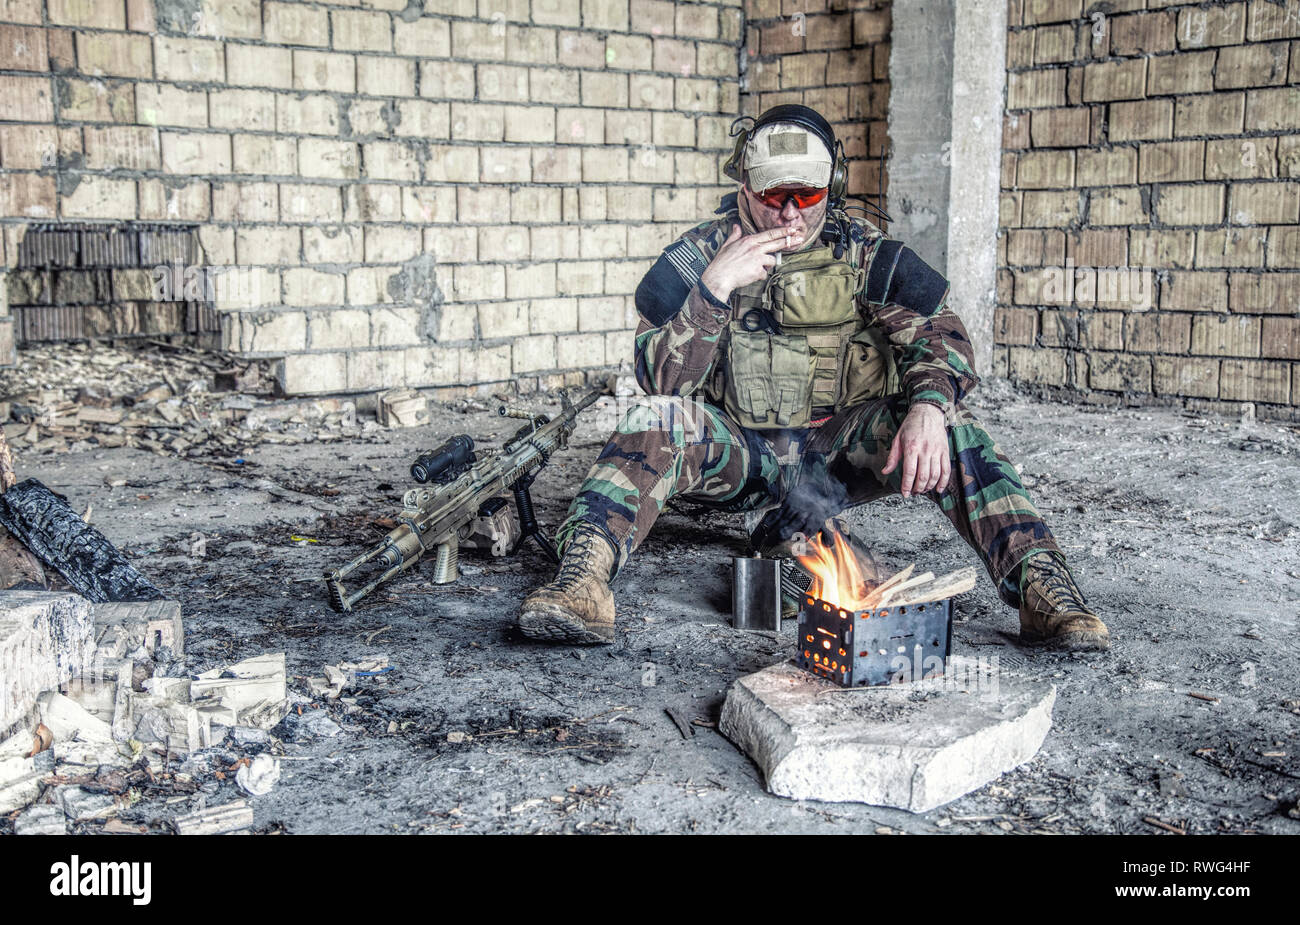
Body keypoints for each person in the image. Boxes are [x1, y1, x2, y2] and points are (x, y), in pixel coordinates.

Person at [518, 104, 1109, 653]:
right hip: (739, 456)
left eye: (807, 193)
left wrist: (930, 407)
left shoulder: (865, 255)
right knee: (659, 418)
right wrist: (715, 288)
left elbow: (943, 339)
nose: (791, 213)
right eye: (775, 195)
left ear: (833, 187)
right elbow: (659, 383)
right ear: (744, 187)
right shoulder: (698, 258)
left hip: (835, 458)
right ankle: (583, 581)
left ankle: (1042, 589)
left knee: (959, 434)